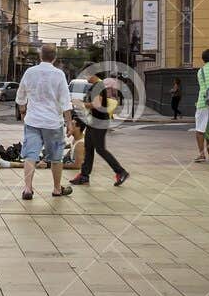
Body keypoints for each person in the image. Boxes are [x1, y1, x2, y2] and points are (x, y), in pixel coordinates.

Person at [14, 44, 74, 200]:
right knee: (56, 157)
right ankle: (56, 189)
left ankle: (27, 188)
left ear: (40, 56)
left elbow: (21, 95)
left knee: (30, 154)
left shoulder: (30, 72)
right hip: (53, 123)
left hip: (33, 121)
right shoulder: (59, 74)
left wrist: (22, 111)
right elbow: (65, 101)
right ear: (54, 57)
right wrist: (69, 122)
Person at [72, 73, 130, 185]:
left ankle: (121, 171)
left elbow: (97, 105)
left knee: (100, 149)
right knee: (88, 147)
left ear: (92, 75)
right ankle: (84, 176)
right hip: (93, 122)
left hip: (99, 122)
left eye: (86, 75)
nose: (85, 77)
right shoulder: (96, 86)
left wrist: (81, 104)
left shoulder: (98, 86)